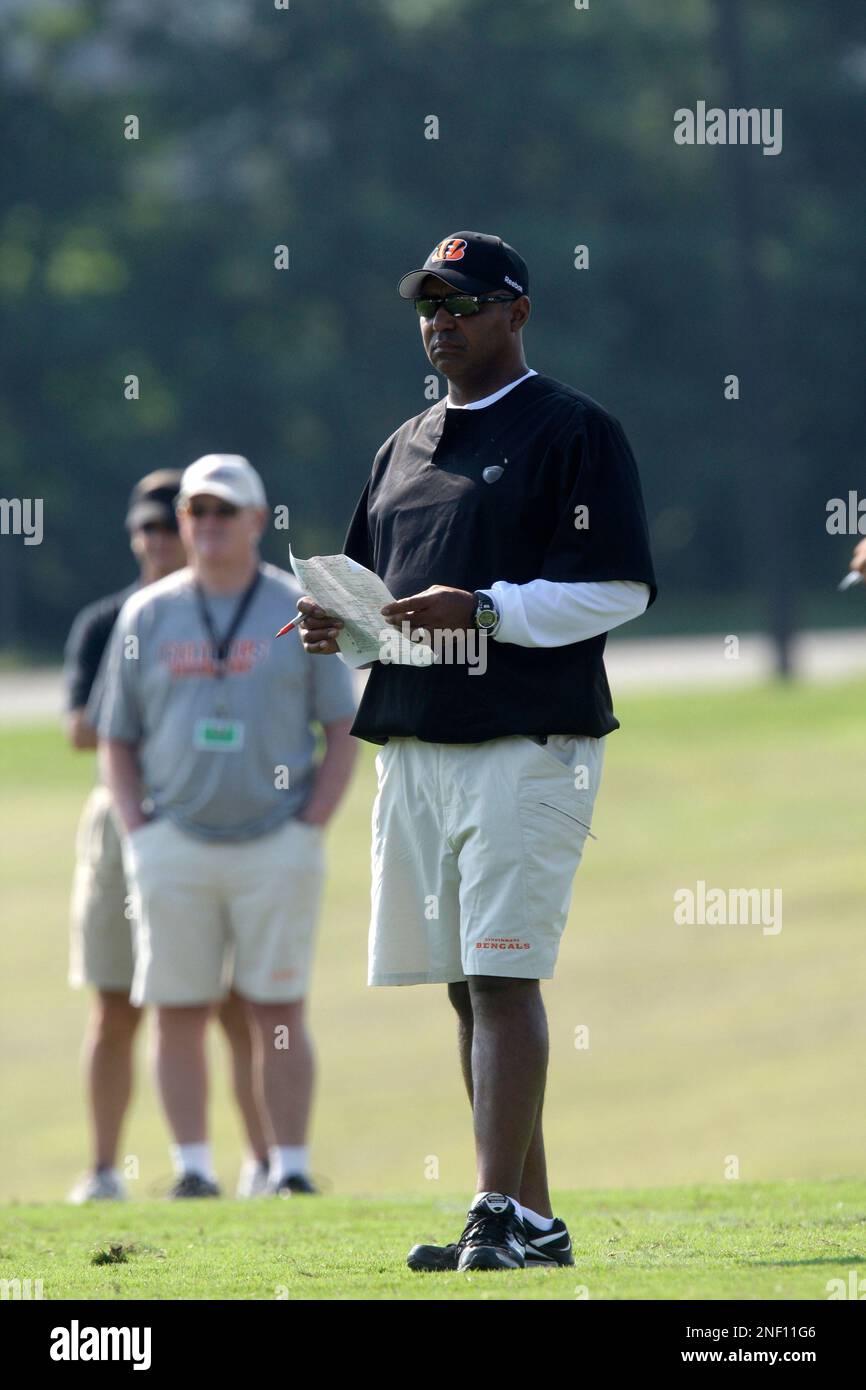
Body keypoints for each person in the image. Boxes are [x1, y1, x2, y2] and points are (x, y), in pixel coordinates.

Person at [299, 231, 658, 1269]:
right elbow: (380, 602)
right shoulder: (401, 445)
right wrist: (341, 627)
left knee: (503, 979)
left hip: (526, 739)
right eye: (428, 303)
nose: (439, 321)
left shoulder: (572, 431)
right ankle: (529, 1223)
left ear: (517, 312)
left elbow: (617, 587)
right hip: (415, 742)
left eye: (462, 302)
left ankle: (492, 1210)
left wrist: (488, 608)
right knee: (463, 981)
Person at [98, 454, 357, 1197]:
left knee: (277, 1005)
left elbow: (342, 724)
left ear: (255, 520)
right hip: (173, 836)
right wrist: (138, 828)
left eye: (224, 512)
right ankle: (192, 1168)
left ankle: (291, 1168)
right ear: (183, 523)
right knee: (177, 1005)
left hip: (277, 835)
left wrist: (312, 822)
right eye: (196, 512)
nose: (208, 524)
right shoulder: (148, 613)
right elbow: (116, 733)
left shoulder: (300, 603)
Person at [65, 470, 273, 1203]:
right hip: (129, 821)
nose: (158, 540)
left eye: (170, 525)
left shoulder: (243, 609)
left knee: (236, 1003)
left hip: (218, 819)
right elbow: (82, 730)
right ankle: (101, 1170)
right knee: (117, 999)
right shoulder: (111, 621)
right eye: (148, 527)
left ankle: (265, 1163)